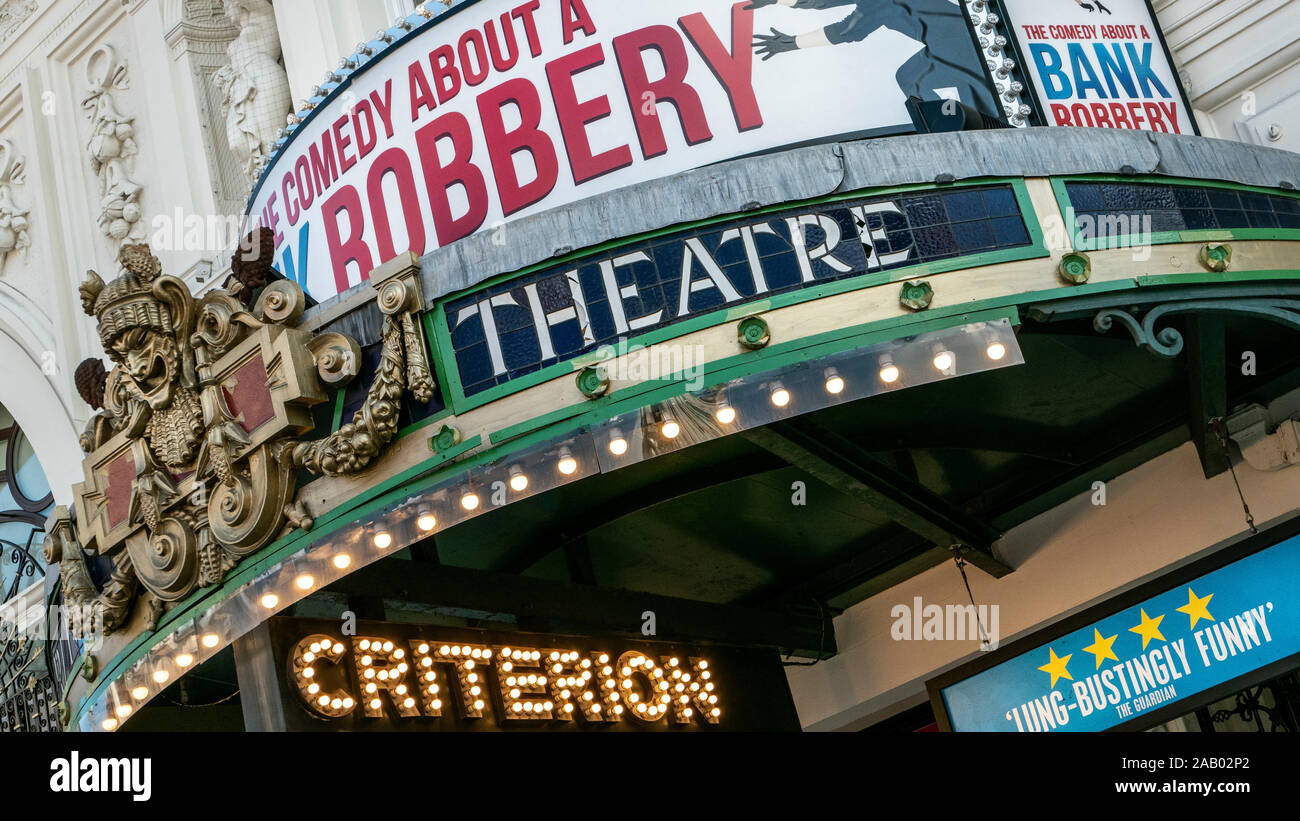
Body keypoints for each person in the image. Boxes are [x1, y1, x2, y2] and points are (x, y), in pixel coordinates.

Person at [746, 0, 994, 108]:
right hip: (956, 36)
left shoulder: (879, 3)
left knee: (912, 79)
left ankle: (956, 123)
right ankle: (957, 117)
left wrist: (792, 43)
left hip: (954, 43)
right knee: (911, 76)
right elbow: (822, 1)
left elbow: (847, 31)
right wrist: (778, 1)